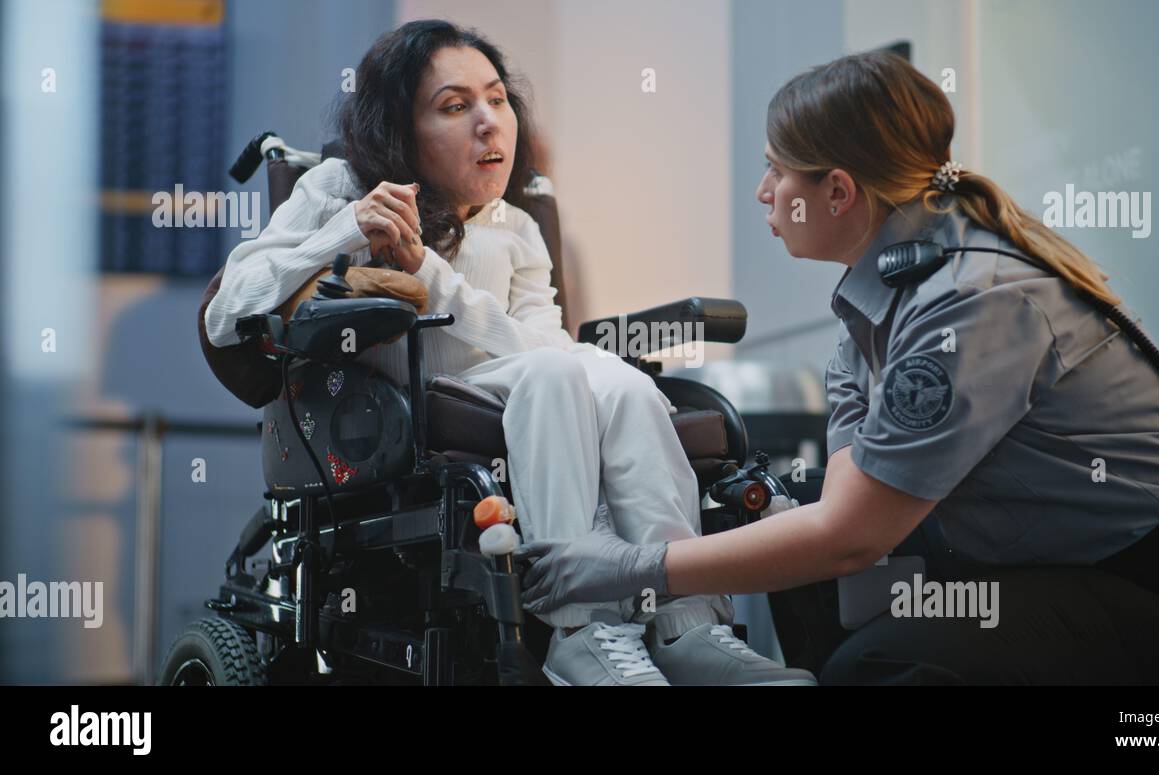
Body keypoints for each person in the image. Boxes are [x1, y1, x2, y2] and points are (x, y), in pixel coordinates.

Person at [515, 50, 1159, 685]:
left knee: (871, 663)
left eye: (776, 170)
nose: (764, 192)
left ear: (838, 191)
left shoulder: (970, 304)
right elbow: (842, 504)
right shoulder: (879, 296)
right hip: (1047, 560)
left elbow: (851, 537)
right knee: (790, 522)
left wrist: (633, 568)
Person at [204, 20, 808, 686]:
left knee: (628, 385)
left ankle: (688, 626)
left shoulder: (516, 226)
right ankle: (581, 629)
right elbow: (231, 303)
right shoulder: (340, 188)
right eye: (456, 106)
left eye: (497, 99)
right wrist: (343, 232)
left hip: (523, 382)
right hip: (397, 408)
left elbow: (542, 344)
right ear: (399, 131)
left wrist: (432, 276)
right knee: (565, 372)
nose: (491, 123)